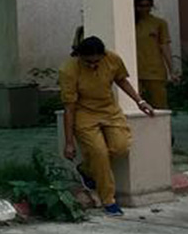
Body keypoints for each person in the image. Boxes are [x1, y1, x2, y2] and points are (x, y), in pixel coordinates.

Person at [60, 36, 155, 216]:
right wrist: (69, 142)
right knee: (99, 153)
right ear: (79, 57)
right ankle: (108, 200)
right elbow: (69, 108)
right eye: (88, 62)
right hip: (84, 113)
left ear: (103, 56)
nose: (93, 65)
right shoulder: (69, 70)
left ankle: (87, 170)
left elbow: (121, 80)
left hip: (109, 109)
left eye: (97, 61)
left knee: (121, 147)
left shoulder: (112, 59)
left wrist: (140, 101)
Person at [134, 0, 176, 109]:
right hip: (134, 71)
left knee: (160, 106)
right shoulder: (129, 23)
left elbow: (165, 46)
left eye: (147, 6)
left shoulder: (159, 23)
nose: (144, 9)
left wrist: (171, 70)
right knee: (136, 106)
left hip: (155, 72)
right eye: (141, 6)